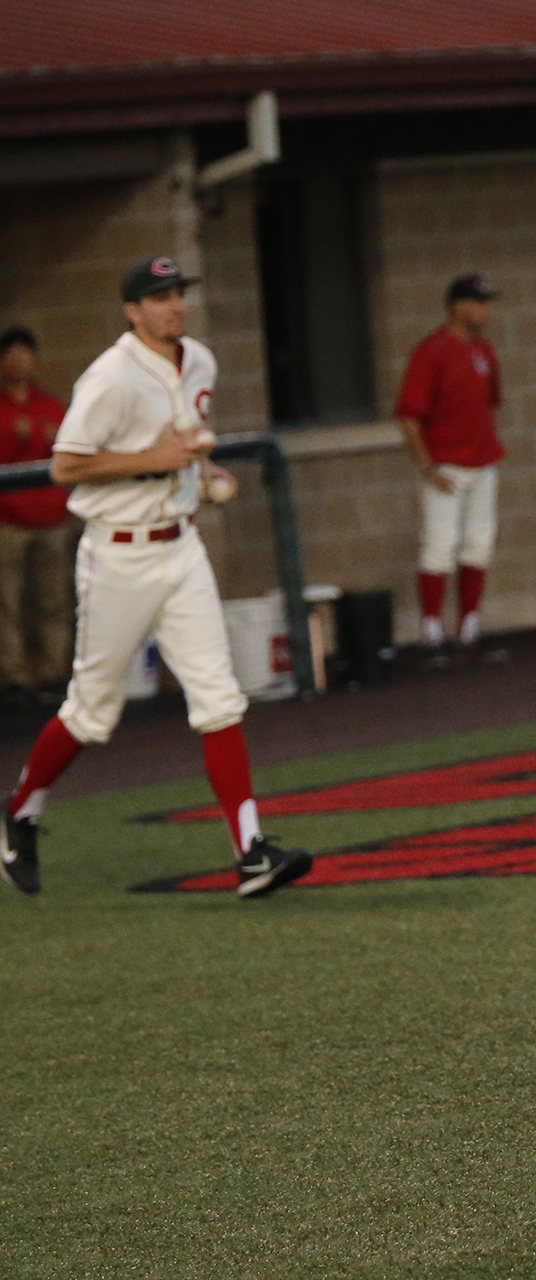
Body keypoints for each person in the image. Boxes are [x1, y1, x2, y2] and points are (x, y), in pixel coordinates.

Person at [0, 257, 311, 899]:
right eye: (159, 296)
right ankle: (20, 809)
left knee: (219, 698)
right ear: (132, 310)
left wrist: (203, 472)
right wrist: (157, 459)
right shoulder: (110, 376)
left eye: (177, 293)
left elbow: (184, 440)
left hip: (181, 546)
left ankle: (251, 853)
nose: (173, 305)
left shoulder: (197, 358)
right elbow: (63, 466)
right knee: (91, 712)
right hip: (118, 555)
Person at [397, 273, 504, 660]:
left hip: (482, 461)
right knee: (438, 546)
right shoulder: (432, 351)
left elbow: (492, 403)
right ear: (458, 306)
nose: (485, 310)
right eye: (478, 302)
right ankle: (430, 632)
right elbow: (409, 415)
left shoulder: (484, 350)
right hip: (446, 466)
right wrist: (427, 466)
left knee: (478, 545)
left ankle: (468, 628)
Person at [0, 327, 77, 704]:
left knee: (54, 600)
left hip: (51, 519)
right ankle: (13, 676)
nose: (20, 362)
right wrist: (14, 437)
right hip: (8, 521)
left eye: (25, 354)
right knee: (7, 603)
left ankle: (53, 673)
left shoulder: (50, 406)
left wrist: (53, 437)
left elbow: (73, 451)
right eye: (12, 355)